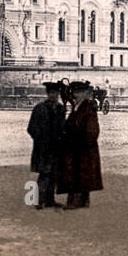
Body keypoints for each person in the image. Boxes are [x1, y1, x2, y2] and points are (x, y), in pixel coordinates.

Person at [55, 81, 102, 209]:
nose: (75, 95)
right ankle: (83, 201)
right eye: (74, 92)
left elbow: (92, 130)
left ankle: (76, 201)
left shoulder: (87, 107)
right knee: (79, 173)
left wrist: (82, 142)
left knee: (78, 174)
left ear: (84, 93)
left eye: (77, 92)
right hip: (77, 147)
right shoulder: (79, 106)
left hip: (82, 148)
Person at [27, 82, 66, 209]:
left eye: (55, 93)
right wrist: (40, 139)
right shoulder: (40, 108)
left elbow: (62, 127)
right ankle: (38, 200)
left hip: (57, 147)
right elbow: (31, 128)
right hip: (43, 147)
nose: (53, 96)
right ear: (47, 94)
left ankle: (50, 200)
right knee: (44, 174)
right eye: (51, 93)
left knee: (53, 173)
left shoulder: (61, 109)